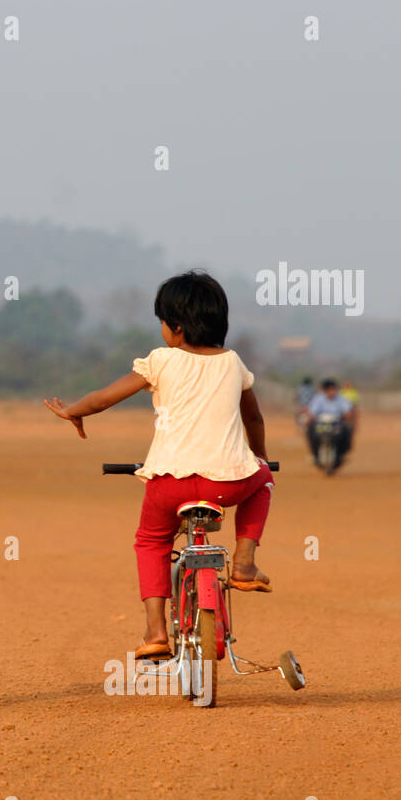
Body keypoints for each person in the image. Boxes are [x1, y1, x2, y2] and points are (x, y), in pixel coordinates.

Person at [44, 270, 273, 660]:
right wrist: (258, 458)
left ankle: (155, 632)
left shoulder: (161, 360)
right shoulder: (234, 363)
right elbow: (254, 420)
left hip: (169, 484)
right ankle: (245, 561)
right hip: (228, 484)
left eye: (162, 323)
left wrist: (72, 412)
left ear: (177, 328)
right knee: (263, 479)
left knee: (151, 540)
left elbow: (102, 399)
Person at [305, 378, 355, 467]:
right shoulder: (318, 399)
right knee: (310, 429)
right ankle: (314, 453)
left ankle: (343, 453)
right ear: (325, 390)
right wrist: (311, 417)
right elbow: (312, 412)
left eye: (333, 389)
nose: (332, 392)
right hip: (321, 424)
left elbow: (347, 411)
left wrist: (347, 415)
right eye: (329, 390)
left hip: (336, 424)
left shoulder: (341, 399)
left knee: (347, 429)